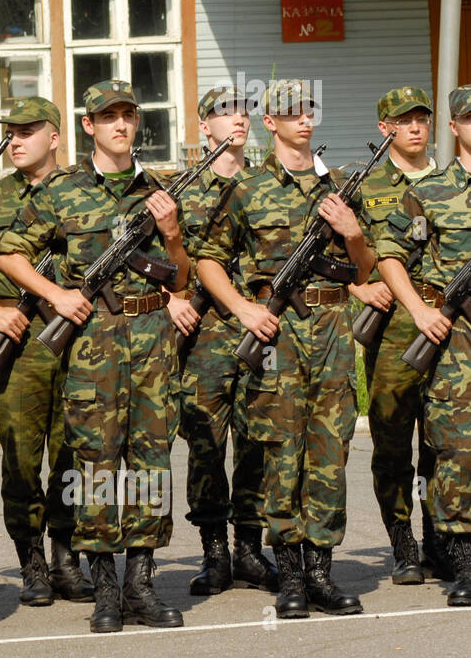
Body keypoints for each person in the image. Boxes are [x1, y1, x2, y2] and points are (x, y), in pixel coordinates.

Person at [0, 79, 189, 634]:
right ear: (88, 126)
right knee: (97, 466)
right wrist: (56, 295)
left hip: (152, 342)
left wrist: (172, 233)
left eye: (128, 115)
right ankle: (105, 590)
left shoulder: (160, 190)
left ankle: (142, 587)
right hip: (94, 347)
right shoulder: (62, 191)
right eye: (108, 117)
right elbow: (10, 252)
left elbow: (181, 274)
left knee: (151, 464)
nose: (120, 125)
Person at [197, 78, 372, 619]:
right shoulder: (246, 190)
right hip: (278, 337)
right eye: (290, 112)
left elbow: (365, 269)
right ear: (269, 122)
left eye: (308, 110)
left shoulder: (339, 186)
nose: (303, 120)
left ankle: (321, 571)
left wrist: (353, 232)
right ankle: (291, 576)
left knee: (330, 452)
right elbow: (207, 259)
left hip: (334, 332)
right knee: (280, 451)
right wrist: (244, 309)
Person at [0, 97, 94, 606]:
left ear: (55, 137)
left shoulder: (87, 194)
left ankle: (65, 555)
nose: (14, 140)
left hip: (78, 339)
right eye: (9, 131)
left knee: (73, 449)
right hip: (19, 341)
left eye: (27, 131)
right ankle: (31, 562)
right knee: (20, 453)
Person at [172, 87, 278, 596]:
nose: (237, 119)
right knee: (206, 444)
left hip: (263, 330)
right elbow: (165, 264)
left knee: (257, 438)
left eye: (243, 111)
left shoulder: (267, 186)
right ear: (203, 128)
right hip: (205, 336)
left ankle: (250, 551)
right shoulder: (183, 192)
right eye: (222, 112)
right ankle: (214, 552)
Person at [375, 84, 471, 606]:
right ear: (455, 128)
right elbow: (385, 251)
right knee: (438, 445)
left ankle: (451, 546)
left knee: (454, 446)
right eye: (469, 119)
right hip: (441, 335)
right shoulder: (430, 191)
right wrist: (417, 308)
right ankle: (437, 551)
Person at [353, 87, 448, 584]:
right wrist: (358, 287)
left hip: (448, 326)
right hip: (393, 328)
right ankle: (402, 540)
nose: (414, 127)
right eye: (403, 120)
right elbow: (329, 251)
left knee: (441, 438)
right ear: (384, 128)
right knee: (392, 439)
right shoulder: (364, 185)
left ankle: (440, 536)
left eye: (421, 119)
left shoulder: (449, 181)